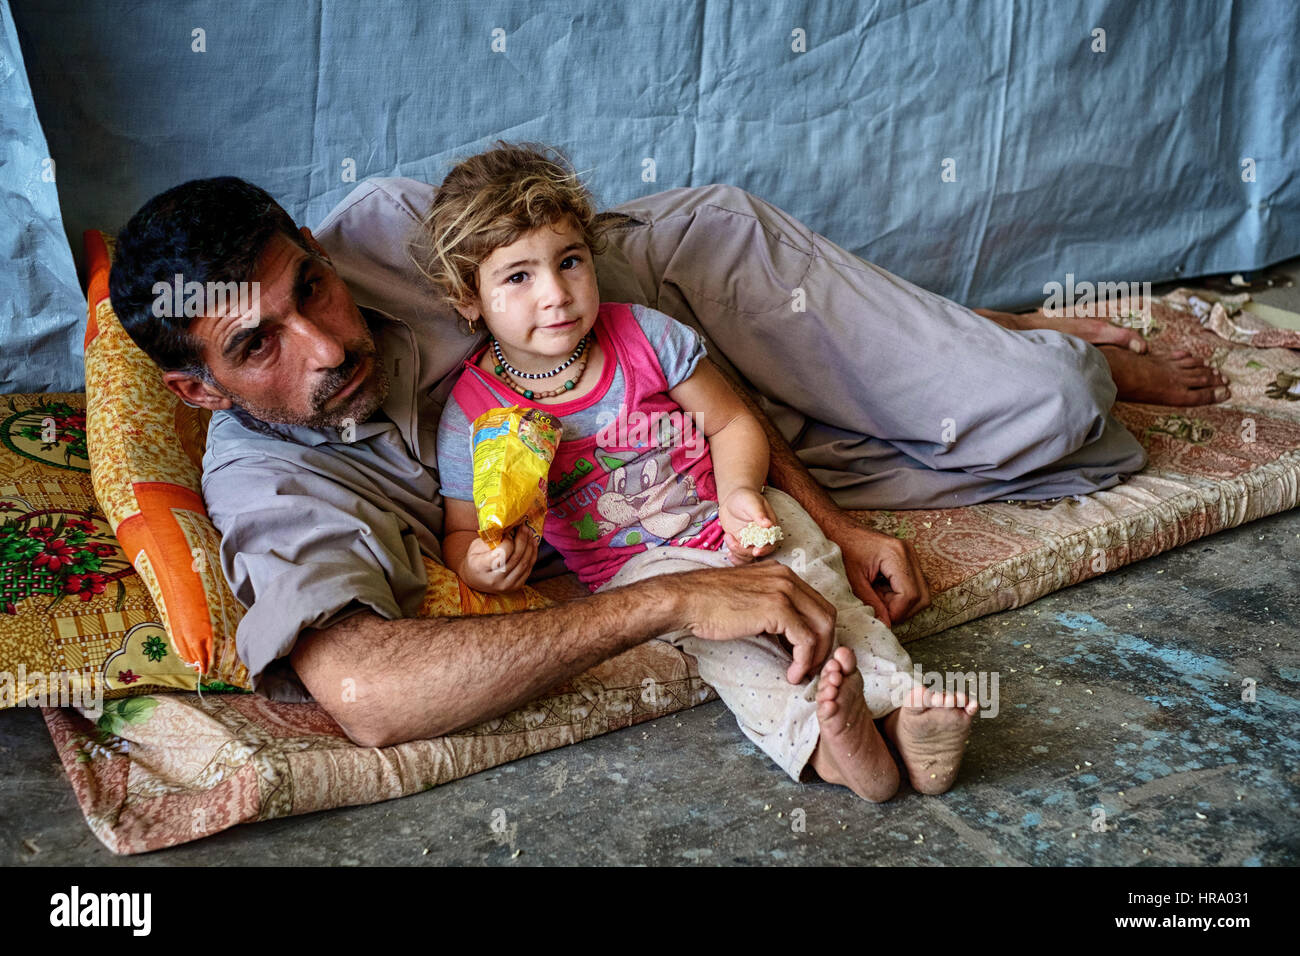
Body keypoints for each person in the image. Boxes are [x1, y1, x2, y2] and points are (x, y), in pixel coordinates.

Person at [104, 165, 1228, 753]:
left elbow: (581, 293)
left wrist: (830, 528)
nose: (330, 341)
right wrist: (676, 599)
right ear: (198, 391)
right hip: (654, 471)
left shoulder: (392, 229)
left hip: (683, 306)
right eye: (259, 344)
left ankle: (1003, 333)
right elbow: (364, 692)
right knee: (1033, 452)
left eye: (312, 286)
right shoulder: (268, 480)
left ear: (317, 246)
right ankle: (963, 337)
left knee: (1055, 403)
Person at [425, 144, 979, 799]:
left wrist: (742, 494)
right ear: (468, 298)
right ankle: (836, 745)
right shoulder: (475, 411)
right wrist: (483, 565)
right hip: (647, 570)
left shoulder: (645, 338)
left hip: (739, 521)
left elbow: (733, 424)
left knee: (824, 591)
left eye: (569, 261)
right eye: (517, 277)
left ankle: (907, 712)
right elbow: (462, 535)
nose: (556, 294)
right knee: (739, 652)